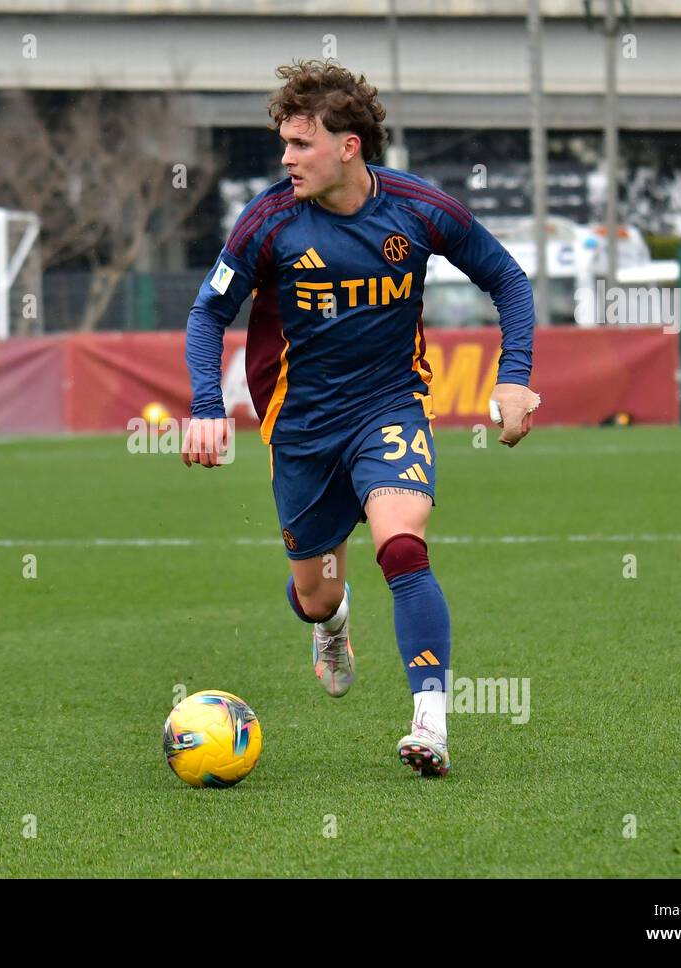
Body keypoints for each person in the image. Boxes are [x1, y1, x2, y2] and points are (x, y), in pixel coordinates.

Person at [182, 62, 542, 777]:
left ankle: (430, 724)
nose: (286, 159)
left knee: (402, 546)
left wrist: (516, 378)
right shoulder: (268, 220)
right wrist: (203, 407)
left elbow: (508, 278)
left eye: (301, 144)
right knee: (317, 594)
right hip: (302, 431)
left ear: (348, 146)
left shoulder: (418, 209)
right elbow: (207, 312)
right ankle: (332, 624)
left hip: (389, 408)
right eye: (283, 144)